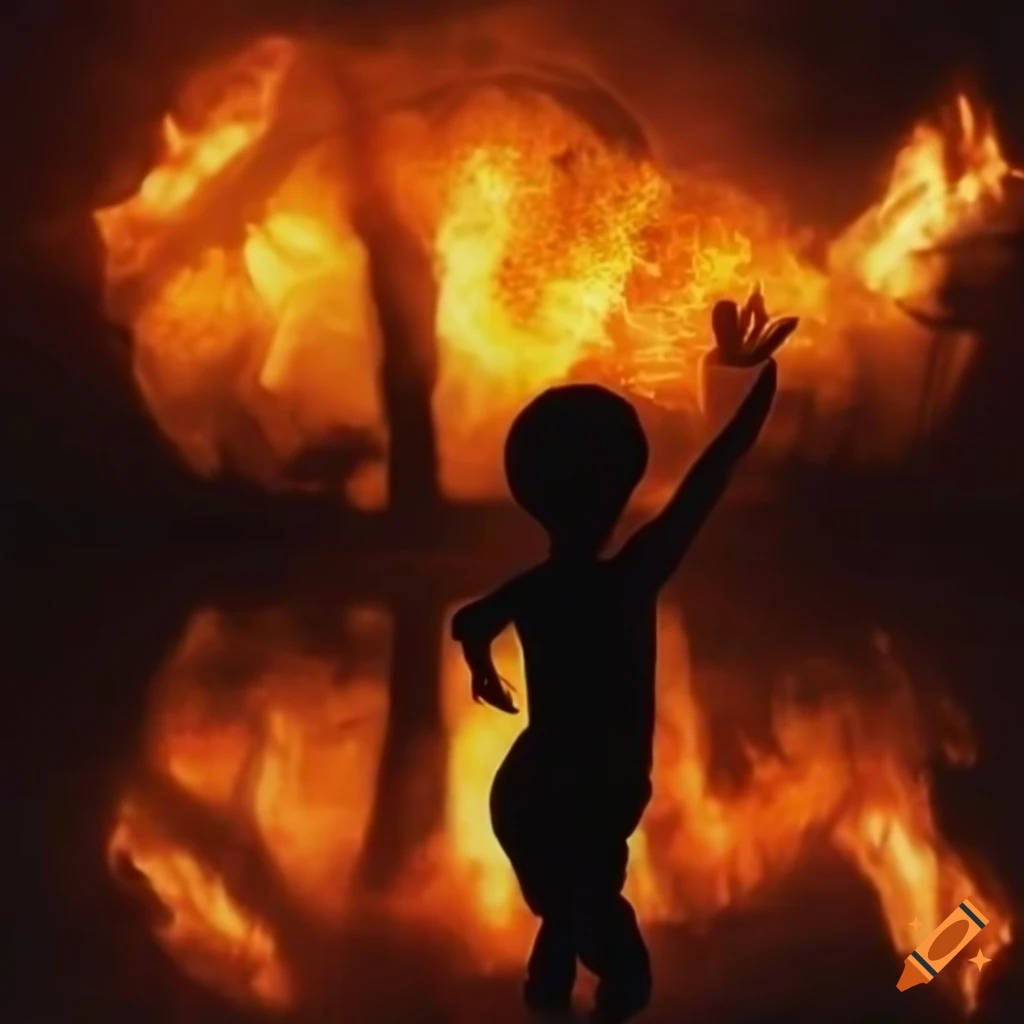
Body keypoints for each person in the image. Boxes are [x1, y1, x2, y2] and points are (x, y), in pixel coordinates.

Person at [451, 293, 798, 1022]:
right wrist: (750, 381)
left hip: (529, 792)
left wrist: (483, 666)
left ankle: (547, 991)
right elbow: (713, 474)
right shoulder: (630, 578)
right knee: (617, 959)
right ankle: (575, 991)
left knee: (569, 912)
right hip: (587, 791)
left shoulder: (541, 587)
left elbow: (470, 619)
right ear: (623, 483)